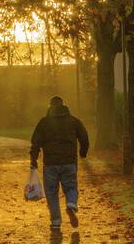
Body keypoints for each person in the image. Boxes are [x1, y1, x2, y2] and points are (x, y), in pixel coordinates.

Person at [29, 95, 89, 231]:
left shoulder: (44, 122)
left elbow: (35, 142)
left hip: (51, 163)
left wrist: (33, 159)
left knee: (51, 192)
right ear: (64, 106)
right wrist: (83, 152)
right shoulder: (73, 121)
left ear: (50, 107)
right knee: (71, 186)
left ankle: (56, 221)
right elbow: (84, 137)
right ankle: (71, 204)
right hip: (69, 162)